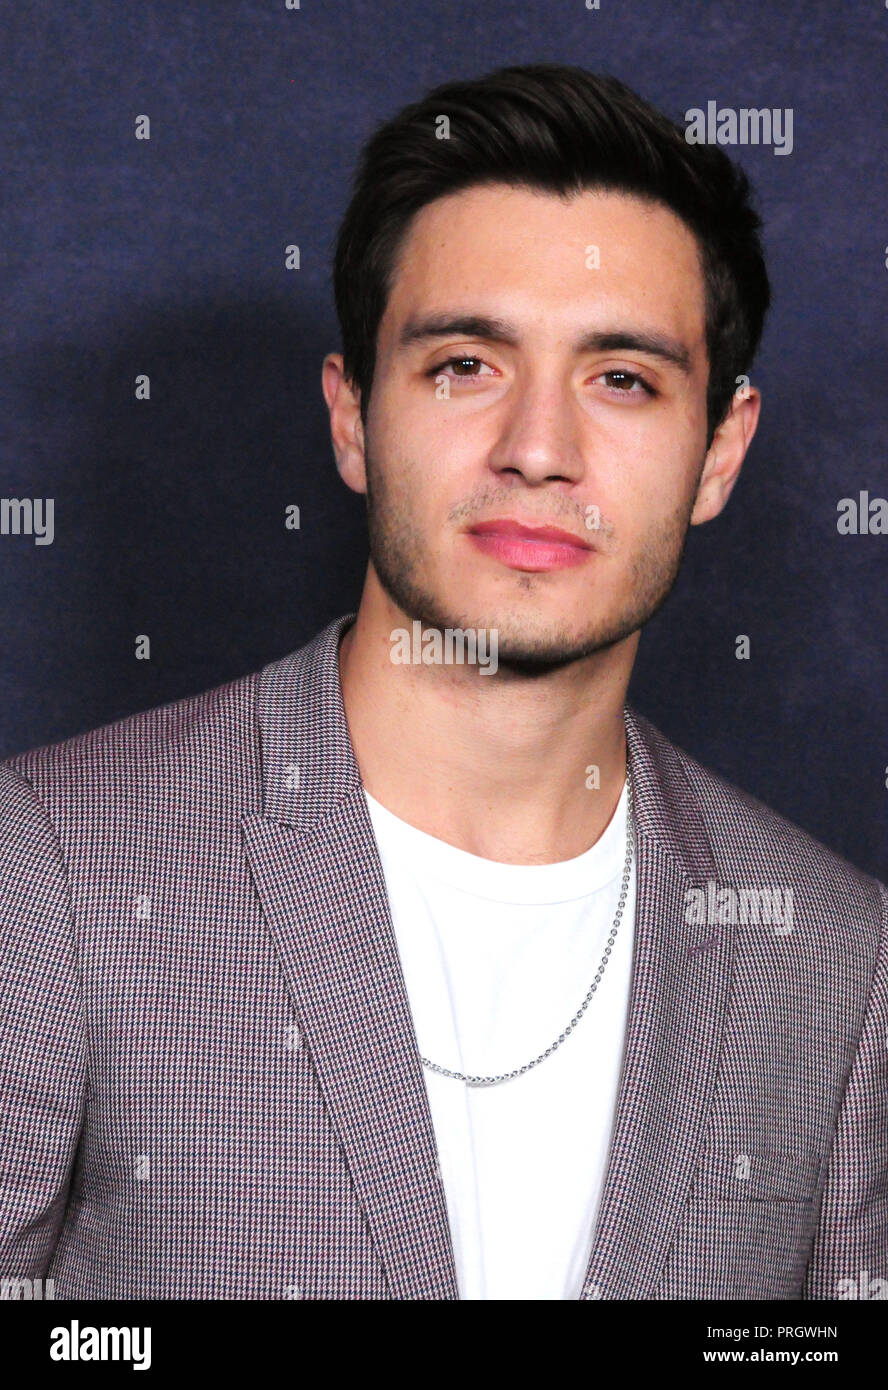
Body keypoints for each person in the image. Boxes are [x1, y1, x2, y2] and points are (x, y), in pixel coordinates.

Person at [1, 65, 885, 1302]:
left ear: (719, 452)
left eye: (621, 378)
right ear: (355, 415)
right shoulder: (51, 868)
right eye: (467, 363)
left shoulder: (840, 956)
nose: (539, 448)